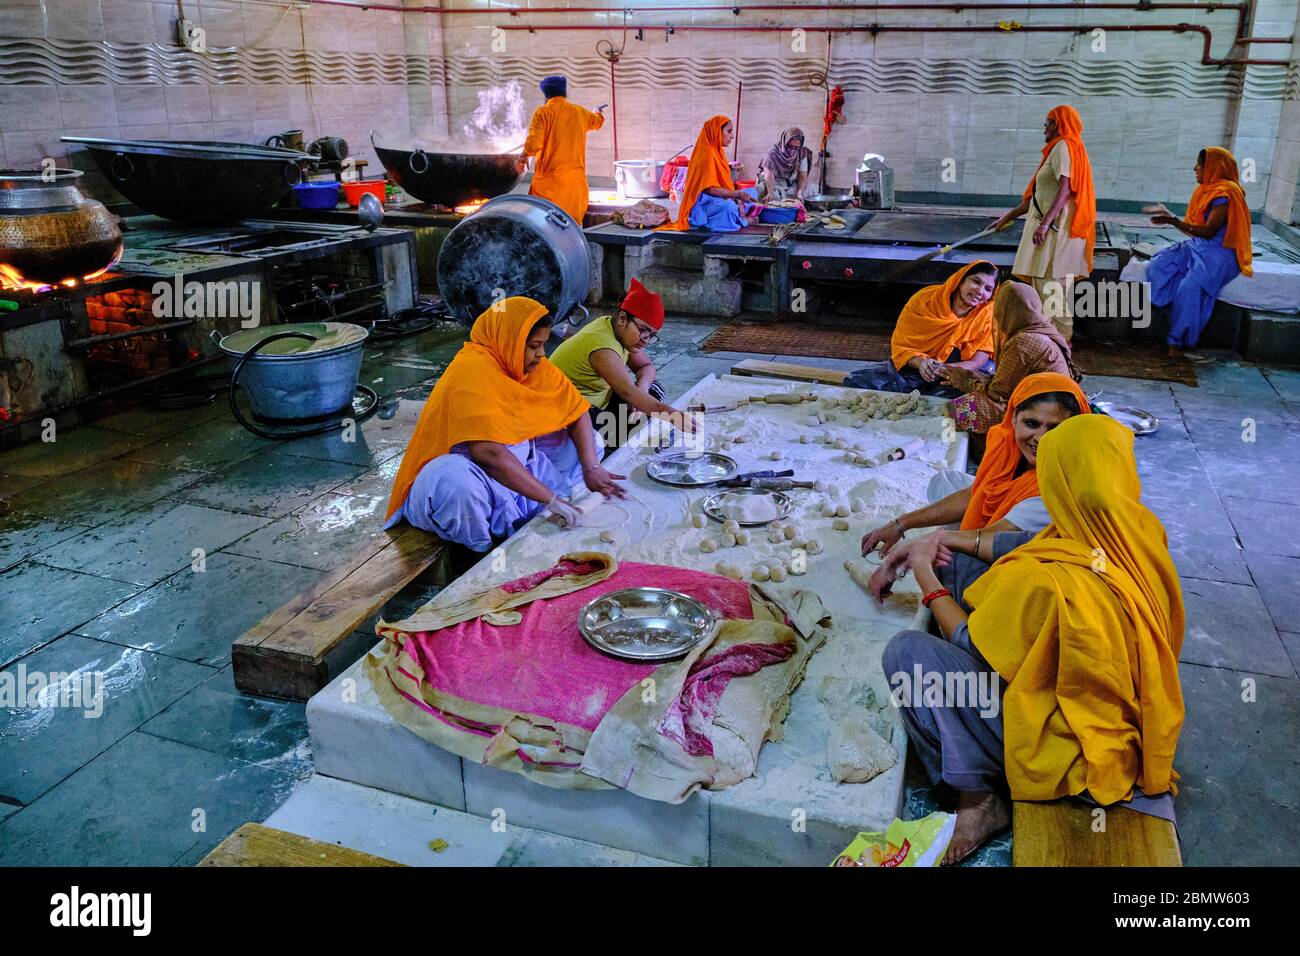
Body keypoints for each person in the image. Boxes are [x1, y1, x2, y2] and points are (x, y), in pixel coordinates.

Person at [877, 414, 1185, 863]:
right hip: (1117, 714)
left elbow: (967, 643)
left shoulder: (1052, 586)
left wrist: (927, 575)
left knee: (909, 655)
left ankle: (980, 798)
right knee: (960, 562)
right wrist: (941, 539)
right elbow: (1029, 542)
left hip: (1067, 740)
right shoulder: (1134, 531)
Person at [384, 296, 626, 552]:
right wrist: (552, 499)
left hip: (514, 465)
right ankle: (478, 553)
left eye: (543, 344)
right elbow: (487, 453)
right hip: (471, 475)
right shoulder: (472, 370)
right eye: (534, 346)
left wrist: (591, 467)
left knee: (591, 443)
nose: (541, 354)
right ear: (510, 341)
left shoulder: (531, 366)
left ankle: (533, 507)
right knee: (455, 483)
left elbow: (576, 412)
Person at [860, 372, 1091, 568]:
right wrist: (900, 524)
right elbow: (977, 493)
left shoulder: (1058, 484)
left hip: (1027, 559)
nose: (1040, 438)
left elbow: (994, 537)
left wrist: (919, 547)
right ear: (1013, 418)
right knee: (945, 480)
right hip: (1001, 525)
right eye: (1031, 423)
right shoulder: (1006, 446)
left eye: (1055, 428)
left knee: (955, 564)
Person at [991, 105, 1096, 341]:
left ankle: (1062, 349)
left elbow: (1065, 189)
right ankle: (1050, 345)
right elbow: (1036, 198)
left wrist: (1045, 224)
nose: (1044, 129)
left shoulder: (1063, 146)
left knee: (1053, 290)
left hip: (1056, 233)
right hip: (1056, 232)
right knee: (1047, 289)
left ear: (1058, 124)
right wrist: (1006, 218)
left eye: (1047, 123)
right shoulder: (1063, 149)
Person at [550, 278, 693, 448]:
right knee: (645, 409)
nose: (646, 340)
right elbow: (627, 393)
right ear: (623, 318)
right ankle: (605, 447)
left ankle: (614, 438)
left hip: (597, 403)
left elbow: (645, 367)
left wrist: (642, 390)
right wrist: (672, 415)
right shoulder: (602, 346)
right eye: (643, 330)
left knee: (653, 392)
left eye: (651, 334)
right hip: (566, 413)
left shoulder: (617, 330)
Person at [1143, 147, 1254, 358]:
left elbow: (1209, 231)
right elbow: (1198, 231)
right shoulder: (1207, 188)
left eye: (1199, 164)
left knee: (1189, 287)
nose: (1195, 168)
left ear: (1213, 167)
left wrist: (1173, 220)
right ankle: (1175, 312)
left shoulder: (1226, 192)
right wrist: (1172, 219)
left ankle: (1177, 340)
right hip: (1199, 246)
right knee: (1159, 266)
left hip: (1220, 254)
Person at [942, 281, 1081, 434]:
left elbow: (998, 395)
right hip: (1057, 405)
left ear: (1006, 311)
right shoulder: (1045, 329)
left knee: (962, 408)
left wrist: (966, 382)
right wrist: (981, 379)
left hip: (1045, 414)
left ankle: (992, 451)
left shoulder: (1023, 342)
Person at [845, 261, 998, 396]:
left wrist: (941, 369)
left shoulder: (988, 315)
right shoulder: (926, 300)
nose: (980, 291)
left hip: (953, 373)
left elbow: (976, 363)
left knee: (969, 399)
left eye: (988, 289)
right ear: (960, 280)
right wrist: (923, 364)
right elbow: (902, 346)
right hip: (915, 368)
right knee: (856, 382)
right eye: (976, 282)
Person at [520, 75, 605, 225]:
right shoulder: (579, 112)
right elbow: (596, 122)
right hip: (574, 187)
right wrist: (597, 111)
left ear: (546, 94)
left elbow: (534, 144)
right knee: (572, 227)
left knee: (547, 227)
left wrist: (523, 155)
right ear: (564, 92)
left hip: (549, 185)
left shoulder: (543, 112)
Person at [660, 115, 757, 232]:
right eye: (729, 131)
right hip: (702, 203)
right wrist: (736, 195)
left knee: (752, 192)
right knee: (728, 207)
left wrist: (737, 197)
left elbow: (724, 184)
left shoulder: (717, 150)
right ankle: (740, 219)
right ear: (716, 131)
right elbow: (708, 189)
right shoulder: (707, 153)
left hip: (717, 198)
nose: (732, 136)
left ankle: (735, 213)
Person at [756, 126, 811, 203]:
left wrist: (800, 193)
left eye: (796, 148)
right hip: (774, 185)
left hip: (791, 186)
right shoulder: (772, 154)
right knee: (769, 195)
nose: (792, 150)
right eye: (790, 146)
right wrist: (770, 193)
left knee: (813, 189)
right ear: (784, 142)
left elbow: (802, 176)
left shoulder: (802, 153)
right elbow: (769, 176)